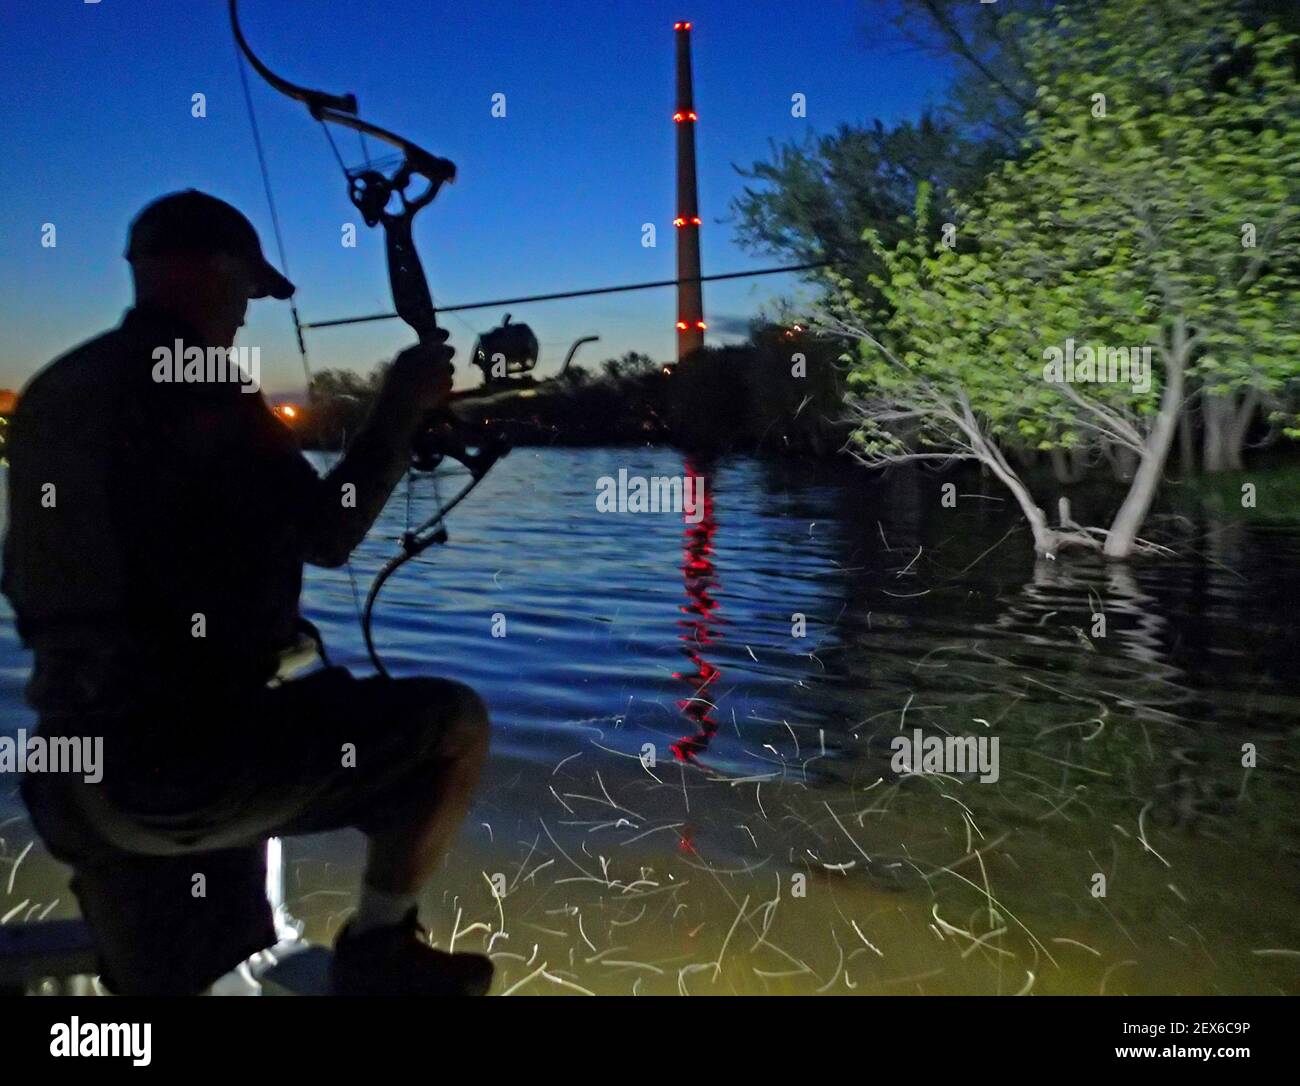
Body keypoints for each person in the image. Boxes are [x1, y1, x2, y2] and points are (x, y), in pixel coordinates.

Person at [2, 190, 493, 996]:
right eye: (246, 293)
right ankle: (381, 945)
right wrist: (400, 412)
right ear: (215, 269)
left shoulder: (56, 391)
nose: (242, 319)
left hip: (70, 778)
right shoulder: (196, 382)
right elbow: (328, 533)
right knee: (453, 726)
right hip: (181, 772)